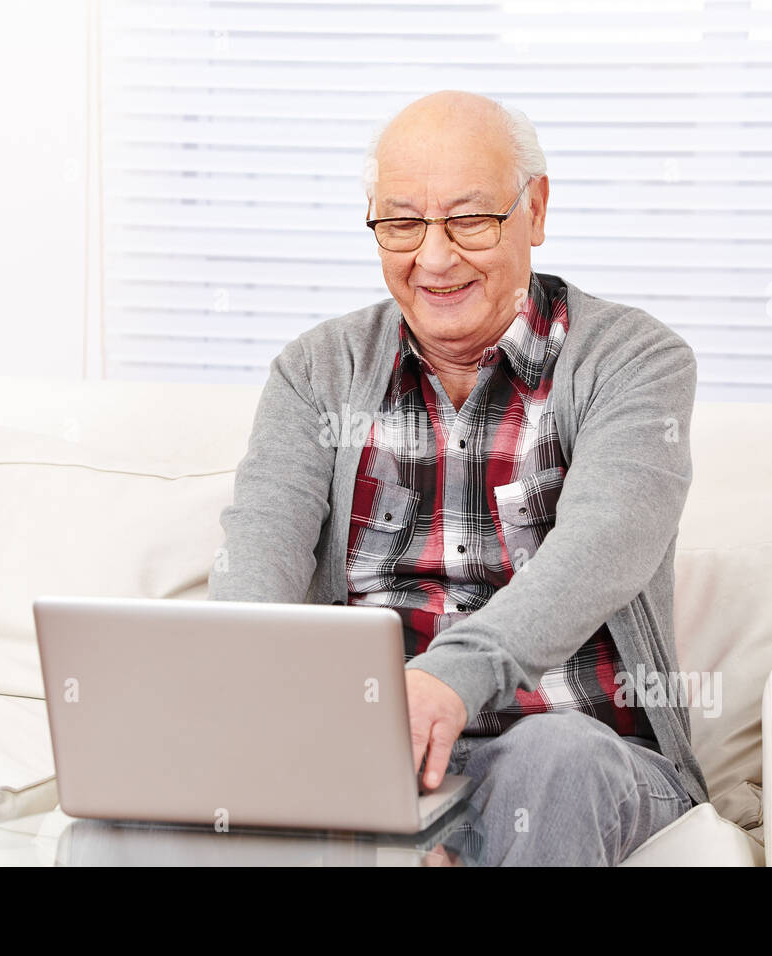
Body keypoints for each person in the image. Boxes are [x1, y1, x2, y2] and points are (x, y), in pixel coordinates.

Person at [209, 90, 709, 865]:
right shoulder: (318, 371)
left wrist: (451, 678)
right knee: (121, 826)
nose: (434, 259)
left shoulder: (635, 361)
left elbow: (605, 546)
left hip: (575, 748)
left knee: (555, 764)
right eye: (403, 222)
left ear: (534, 211)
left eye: (470, 220)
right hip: (369, 757)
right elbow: (257, 564)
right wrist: (362, 791)